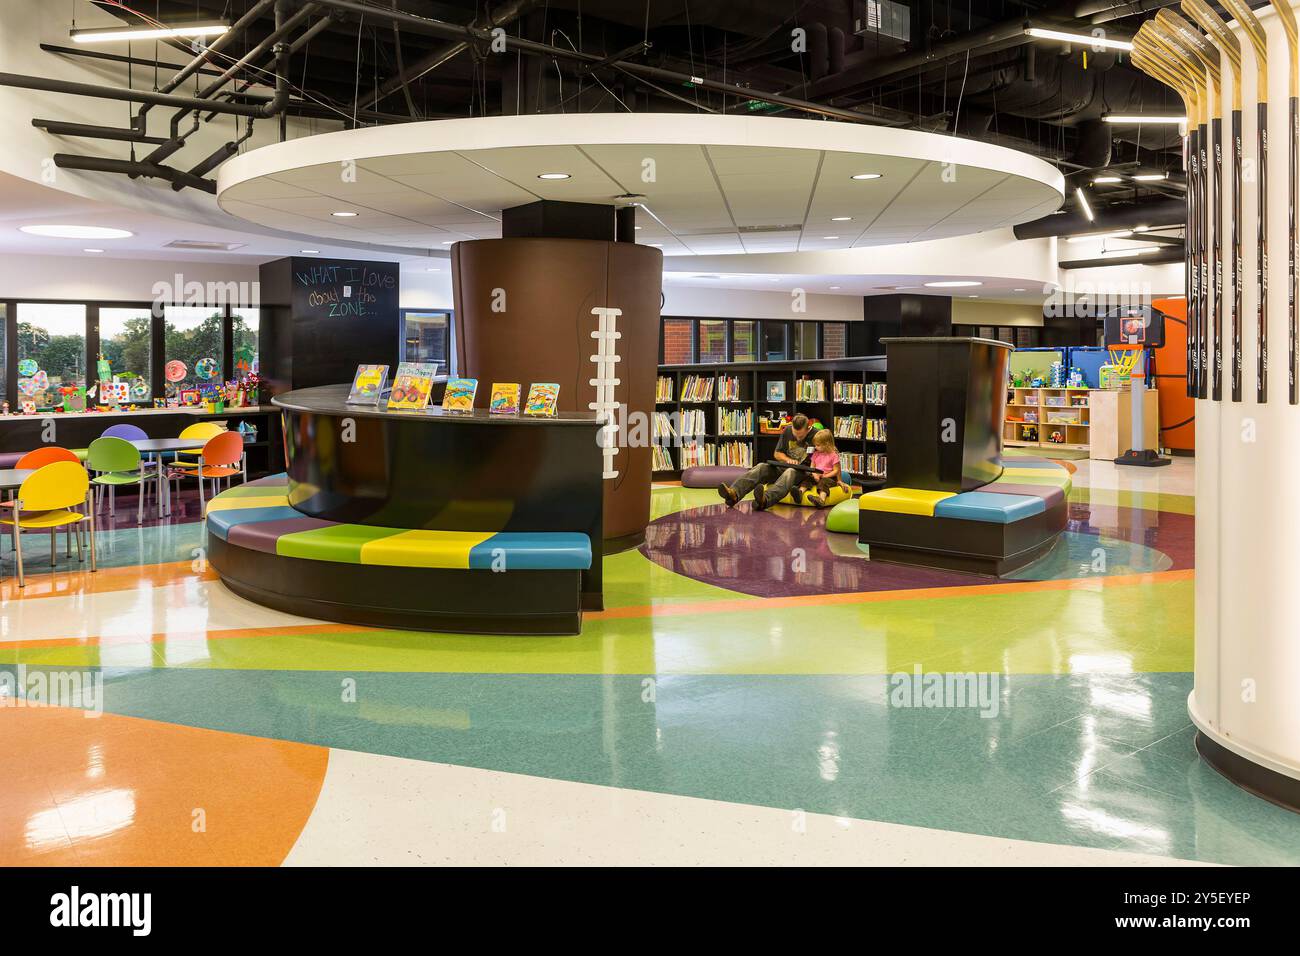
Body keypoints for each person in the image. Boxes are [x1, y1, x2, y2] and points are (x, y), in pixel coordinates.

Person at [717, 413, 814, 511]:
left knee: (790, 472)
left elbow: (826, 457)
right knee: (761, 467)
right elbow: (777, 454)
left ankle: (765, 500)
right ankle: (734, 494)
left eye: (800, 436)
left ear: (808, 428)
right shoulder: (788, 430)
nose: (797, 438)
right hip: (783, 467)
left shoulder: (816, 435)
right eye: (795, 435)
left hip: (802, 474)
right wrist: (787, 459)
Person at [803, 429, 849, 507]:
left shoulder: (833, 455)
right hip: (817, 475)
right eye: (815, 445)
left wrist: (825, 476)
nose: (816, 447)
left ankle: (821, 500)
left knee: (824, 482)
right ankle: (800, 492)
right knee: (807, 478)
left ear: (826, 444)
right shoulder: (816, 454)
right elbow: (812, 467)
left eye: (818, 445)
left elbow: (836, 470)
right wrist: (814, 475)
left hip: (829, 477)